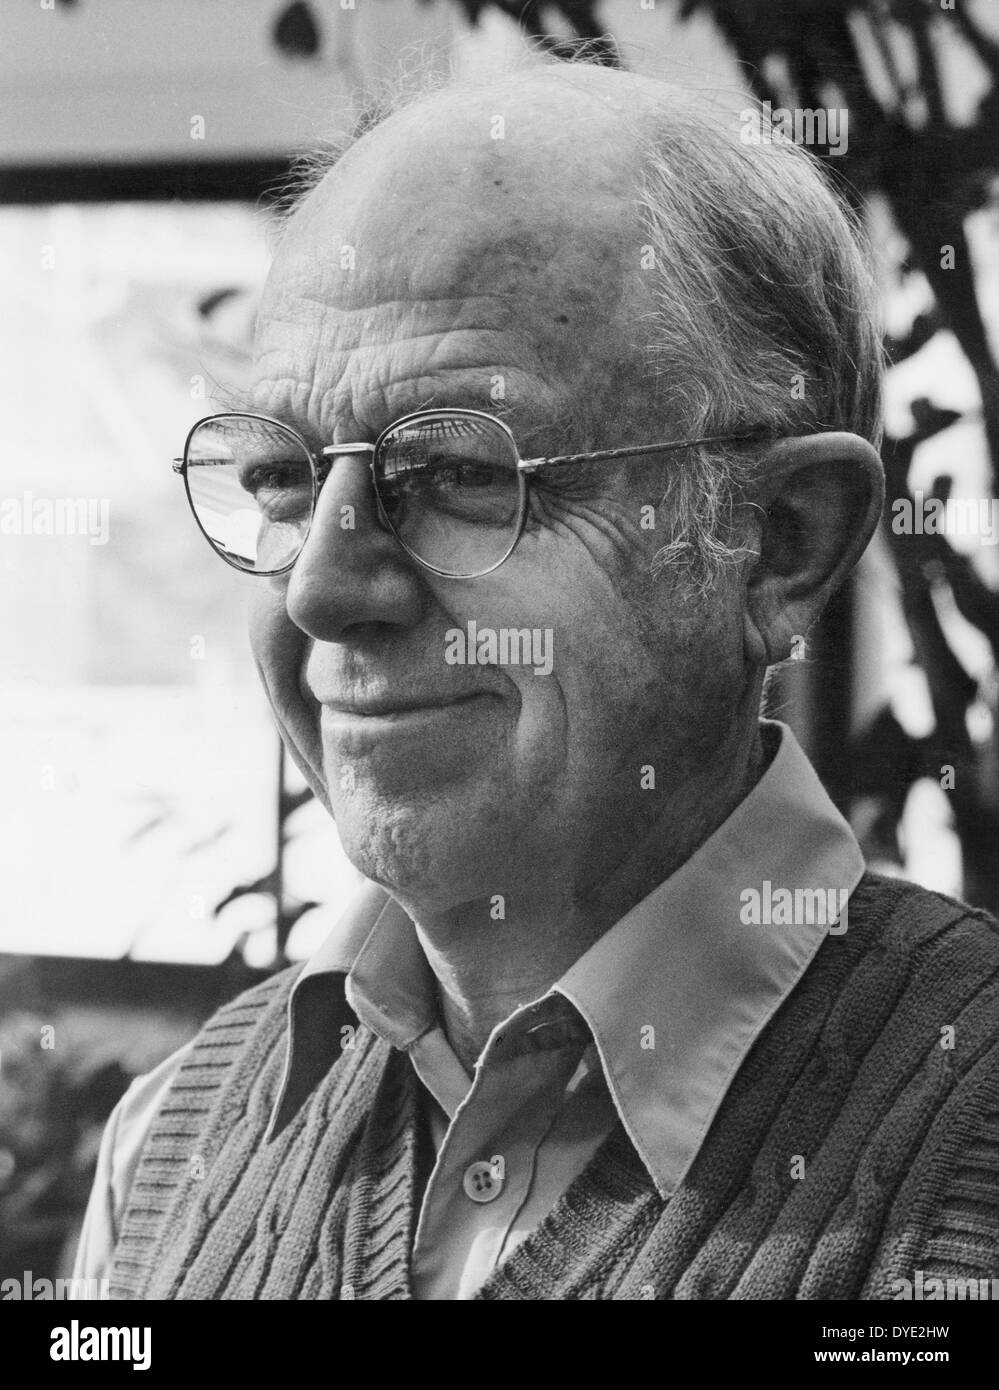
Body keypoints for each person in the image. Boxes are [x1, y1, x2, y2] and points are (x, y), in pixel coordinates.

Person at [75, 61, 999, 1301]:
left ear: (778, 541)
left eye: (459, 469)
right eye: (284, 476)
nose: (319, 589)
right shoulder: (172, 1146)